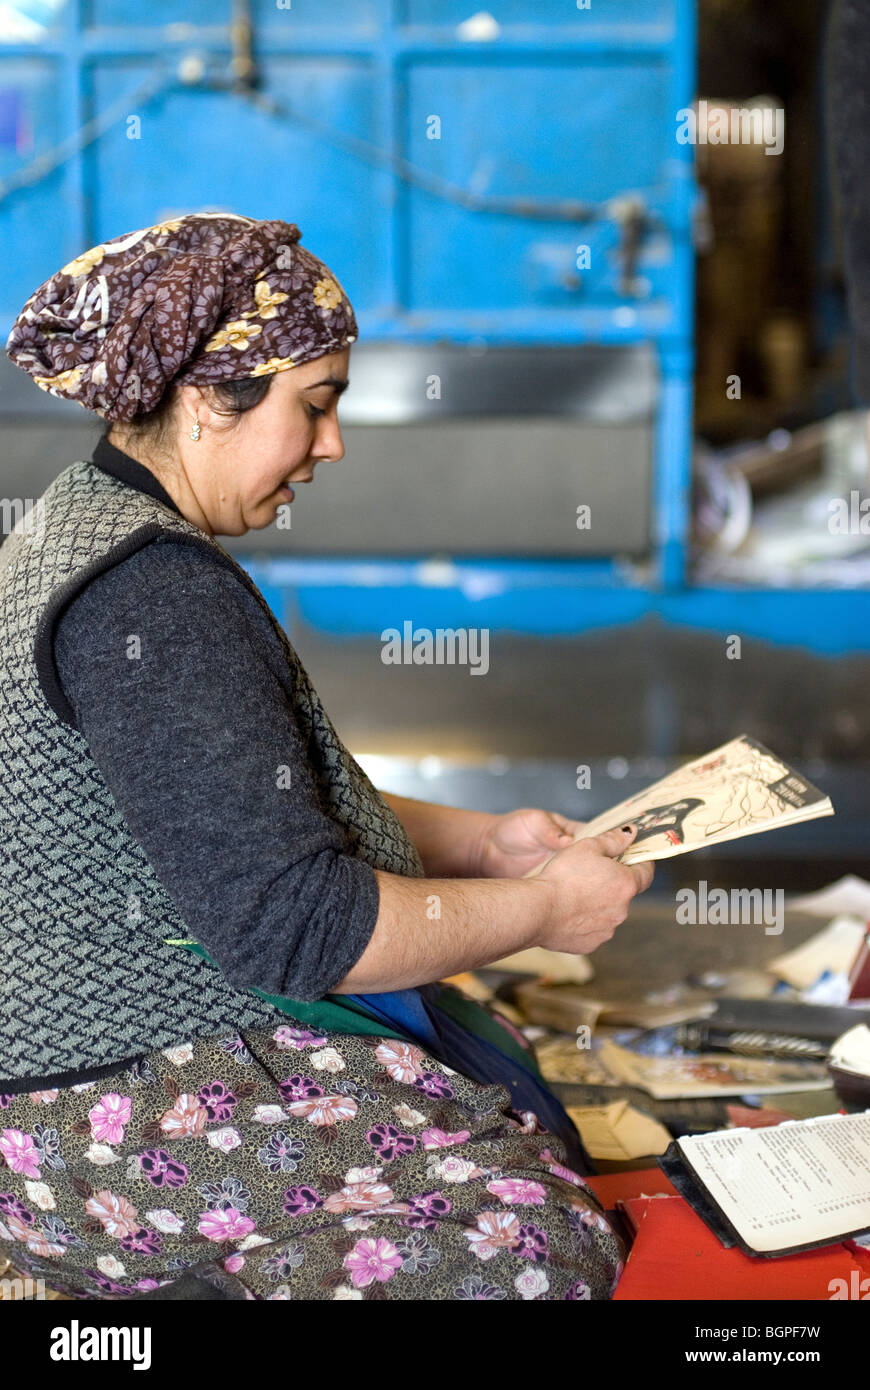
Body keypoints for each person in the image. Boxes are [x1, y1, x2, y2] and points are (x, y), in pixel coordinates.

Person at [0, 213, 653, 1301]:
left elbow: (236, 794)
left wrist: (485, 844)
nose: (334, 443)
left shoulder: (73, 527)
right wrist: (545, 912)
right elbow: (310, 932)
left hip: (50, 1098)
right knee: (538, 1244)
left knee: (507, 1107)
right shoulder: (151, 593)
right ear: (210, 396)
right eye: (317, 402)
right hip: (96, 1116)